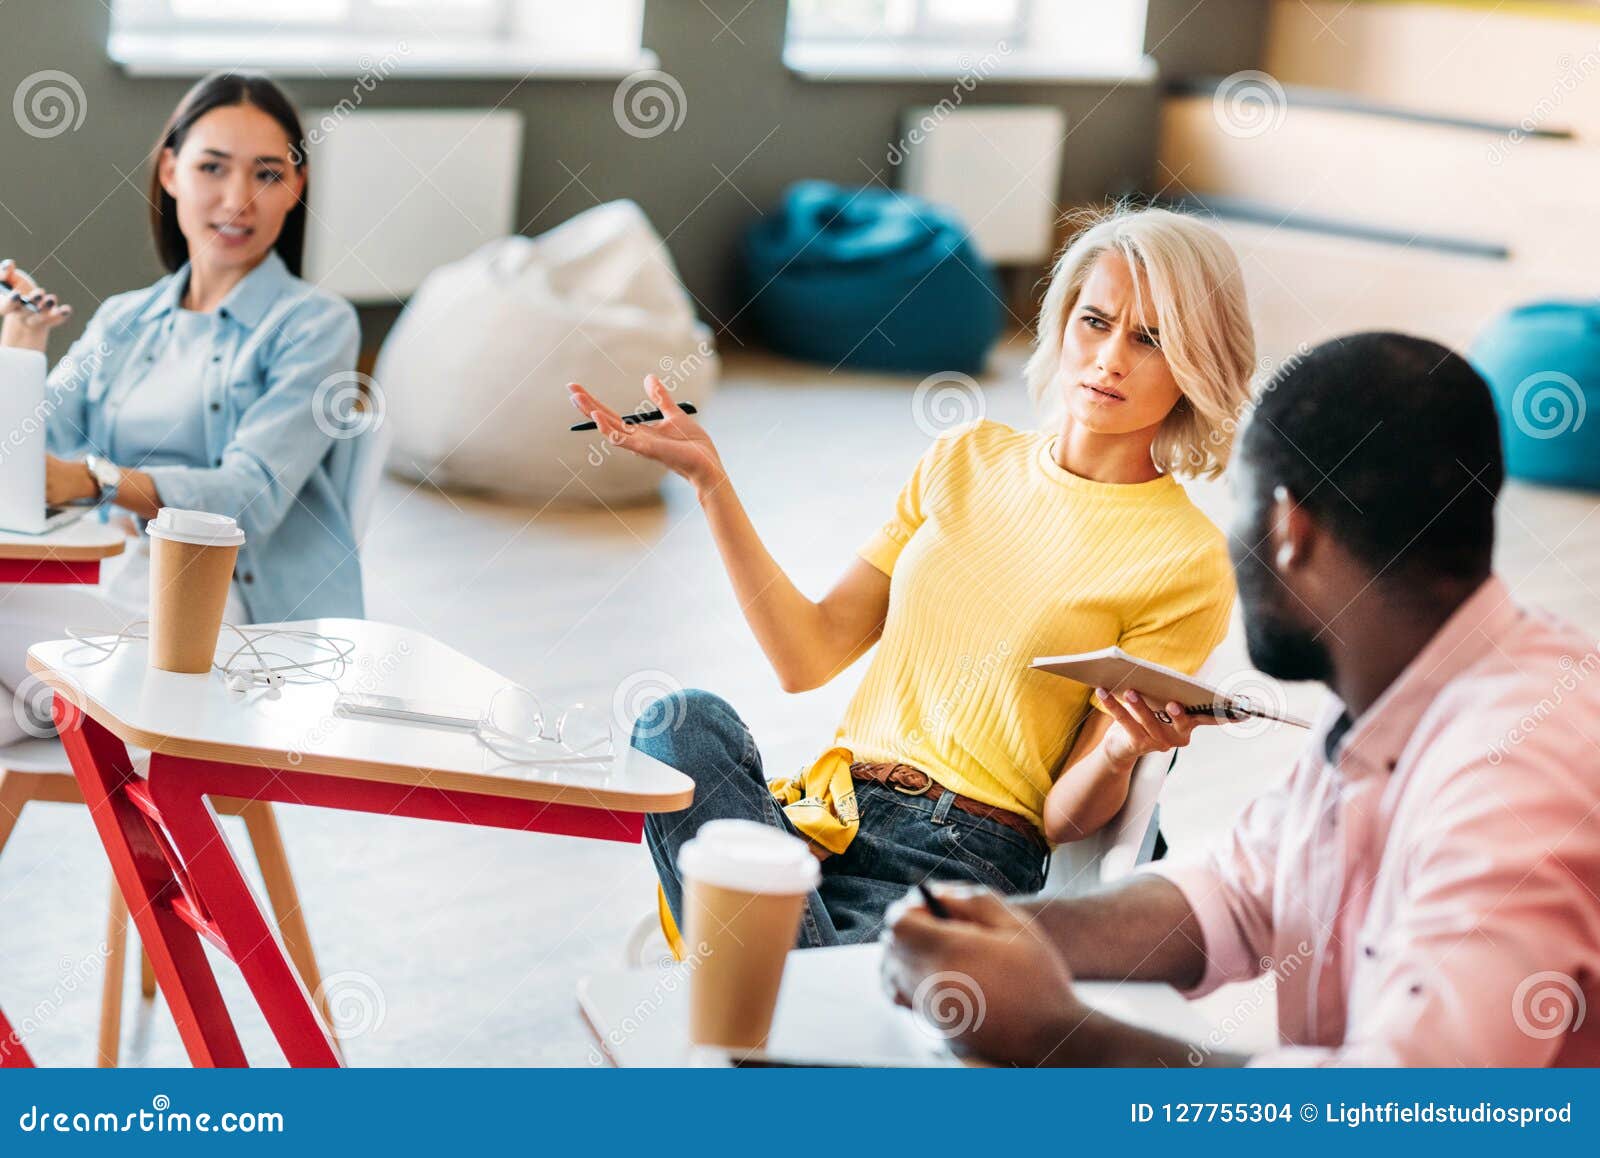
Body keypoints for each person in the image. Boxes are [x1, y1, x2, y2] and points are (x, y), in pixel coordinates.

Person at [883, 331, 1600, 1066]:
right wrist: (1010, 930)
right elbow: (1240, 892)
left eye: (1239, 507)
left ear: (1290, 528)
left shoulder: (1519, 772)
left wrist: (1056, 1033)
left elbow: (1413, 1118)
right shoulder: (1393, 694)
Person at [570, 206, 1258, 948]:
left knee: (798, 972)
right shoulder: (966, 457)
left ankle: (774, 976)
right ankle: (797, 990)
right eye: (1095, 321)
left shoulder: (1187, 558)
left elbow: (1062, 820)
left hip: (964, 861)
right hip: (825, 822)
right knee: (679, 723)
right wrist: (712, 484)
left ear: (1195, 362)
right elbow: (808, 654)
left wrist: (1124, 751)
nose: (1110, 358)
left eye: (1149, 339)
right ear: (1062, 324)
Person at [0, 72, 362, 744]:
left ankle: (81, 709)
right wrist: (19, 348)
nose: (236, 200)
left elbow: (250, 496)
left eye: (267, 173)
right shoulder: (123, 319)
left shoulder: (316, 325)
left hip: (215, 627)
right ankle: (78, 711)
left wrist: (96, 481)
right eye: (212, 168)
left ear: (297, 187)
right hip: (100, 595)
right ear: (169, 171)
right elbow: (20, 459)